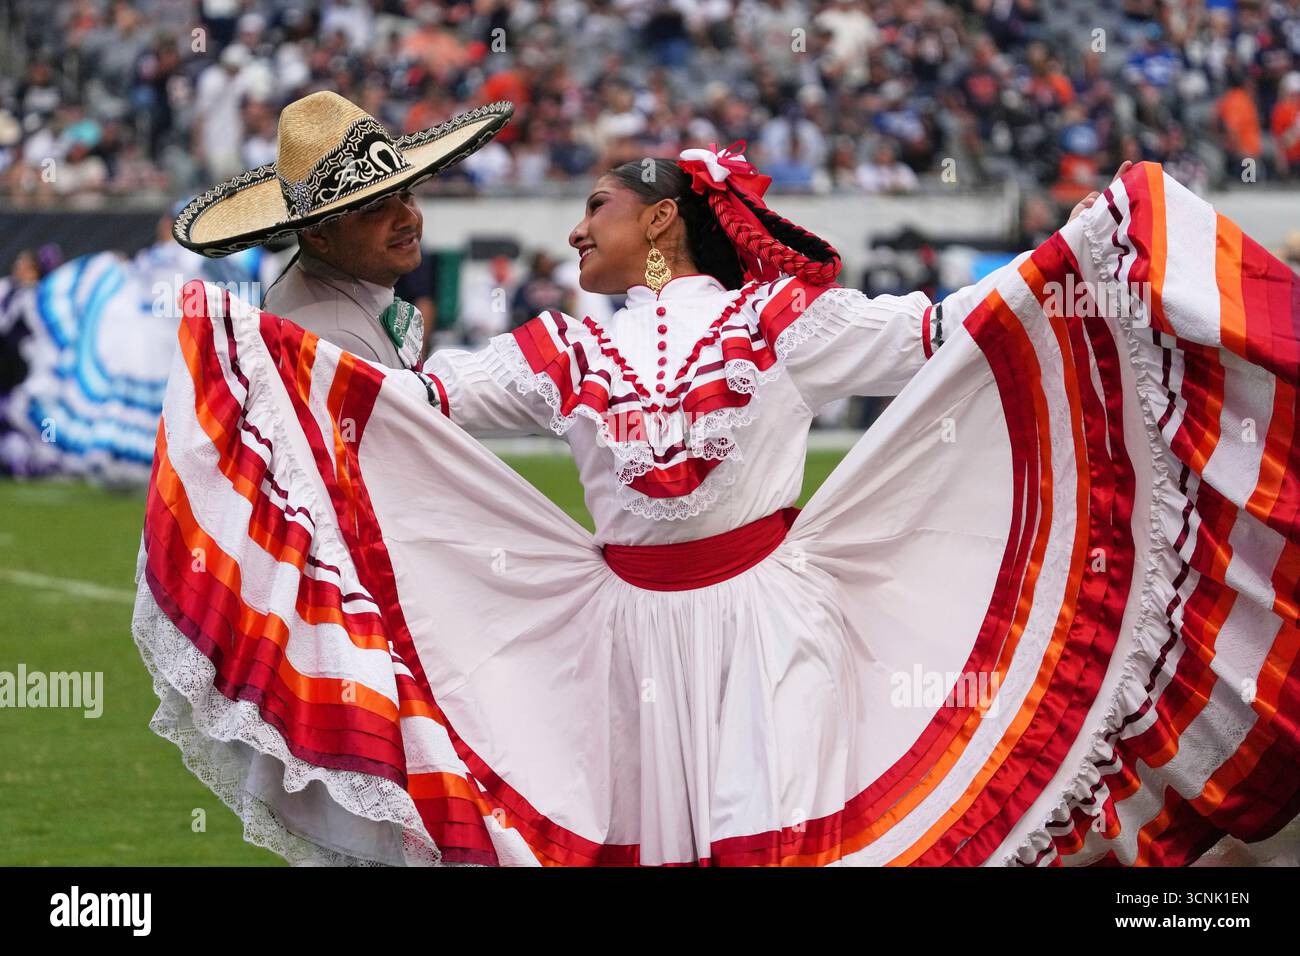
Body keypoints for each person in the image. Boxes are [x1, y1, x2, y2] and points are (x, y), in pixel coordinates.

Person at [133, 145, 1300, 867]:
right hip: (624, 641)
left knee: (775, 831)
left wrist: (1080, 254)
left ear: (662, 221)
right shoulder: (558, 348)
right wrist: (254, 359)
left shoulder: (780, 321)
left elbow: (946, 331)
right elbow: (408, 406)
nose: (576, 227)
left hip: (766, 621)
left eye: (596, 203)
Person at [172, 90, 515, 368]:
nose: (408, 217)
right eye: (375, 207)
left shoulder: (330, 298)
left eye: (407, 194)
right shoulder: (336, 343)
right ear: (317, 234)